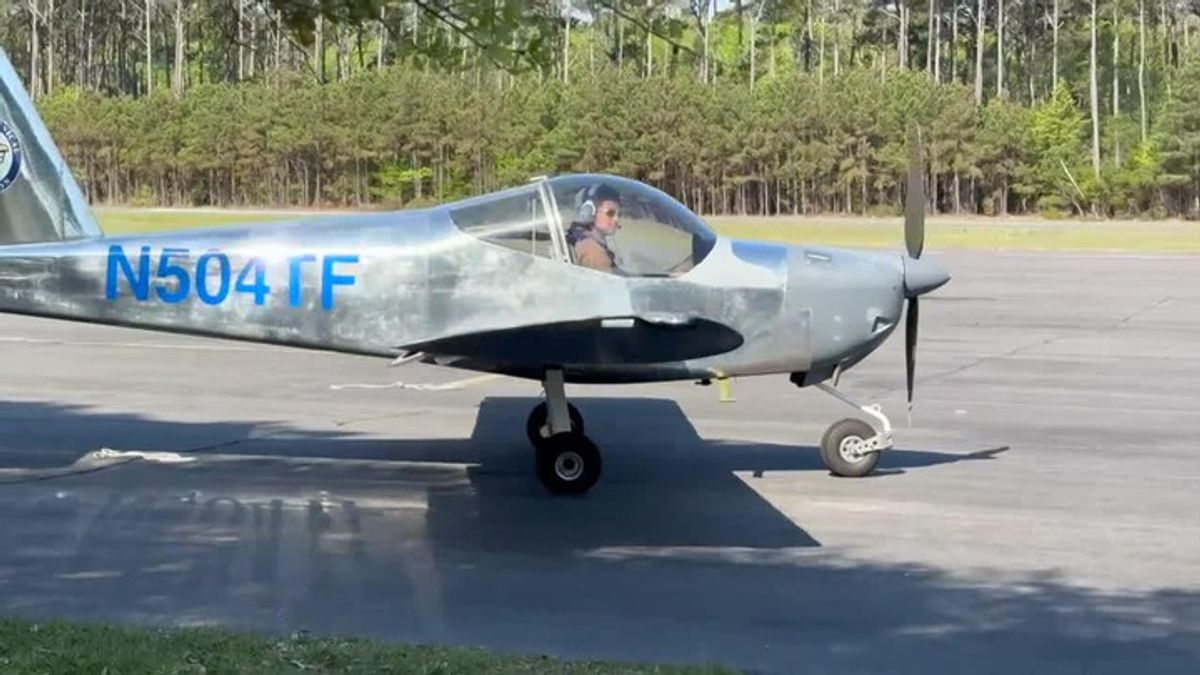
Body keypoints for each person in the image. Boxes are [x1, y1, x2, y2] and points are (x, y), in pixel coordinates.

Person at [566, 183, 624, 275]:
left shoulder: (582, 238)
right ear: (588, 212)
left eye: (619, 214)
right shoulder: (593, 252)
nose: (617, 219)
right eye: (610, 213)